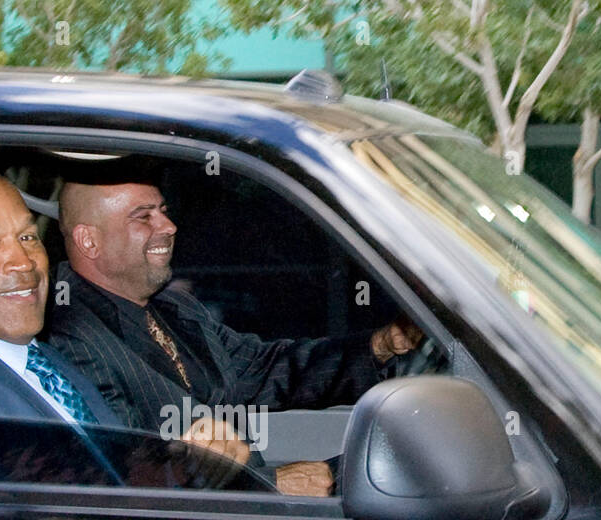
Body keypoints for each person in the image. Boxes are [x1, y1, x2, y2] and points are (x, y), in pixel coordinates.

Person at [43, 168, 422, 496]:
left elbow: (261, 368)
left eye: (164, 212)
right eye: (144, 217)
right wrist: (271, 485)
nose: (169, 227)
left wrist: (379, 346)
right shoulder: (70, 336)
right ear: (88, 240)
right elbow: (128, 474)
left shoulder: (173, 308)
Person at [0, 163, 247, 468]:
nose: (23, 261)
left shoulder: (44, 361)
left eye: (28, 237)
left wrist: (184, 467)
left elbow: (110, 475)